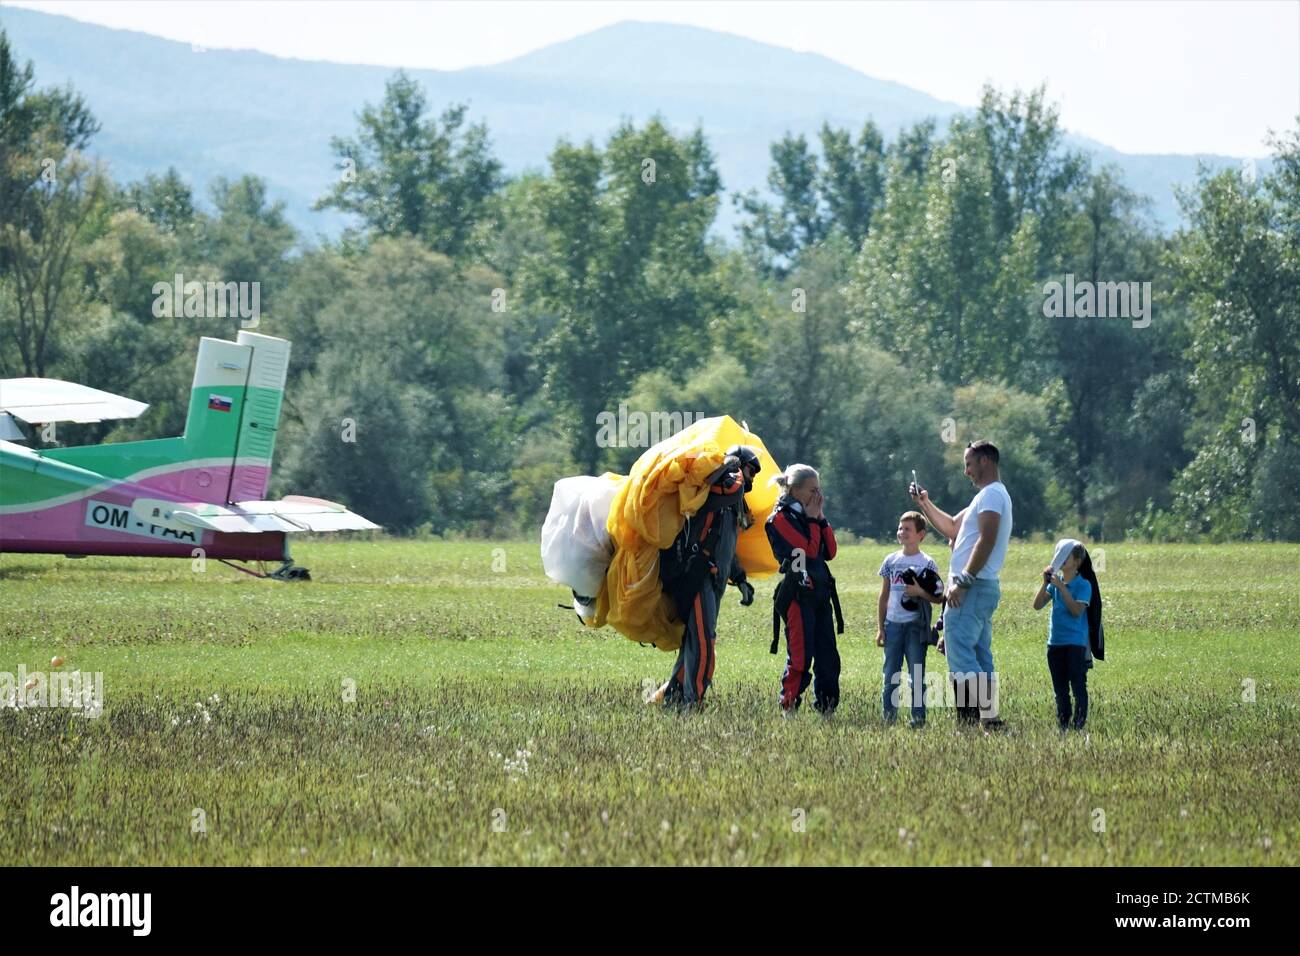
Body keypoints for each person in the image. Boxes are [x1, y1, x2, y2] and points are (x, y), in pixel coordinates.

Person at [910, 440, 1012, 730]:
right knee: (980, 654)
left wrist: (963, 580)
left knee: (961, 655)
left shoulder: (991, 495)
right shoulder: (986, 496)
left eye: (969, 464)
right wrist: (924, 503)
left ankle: (979, 721)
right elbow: (952, 527)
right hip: (981, 587)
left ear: (985, 462)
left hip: (972, 587)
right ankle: (990, 719)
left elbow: (987, 540)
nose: (966, 471)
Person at [657, 445, 761, 710]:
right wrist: (731, 465)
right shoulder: (714, 492)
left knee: (695, 640)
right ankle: (695, 700)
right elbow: (729, 489)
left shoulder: (732, 507)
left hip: (715, 579)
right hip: (699, 575)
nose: (753, 478)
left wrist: (740, 579)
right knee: (703, 640)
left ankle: (674, 698)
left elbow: (728, 547)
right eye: (752, 470)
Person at [766, 464, 843, 716]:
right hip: (798, 596)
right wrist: (811, 518)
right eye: (812, 490)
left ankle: (827, 708)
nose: (817, 495)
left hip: (820, 594)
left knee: (828, 656)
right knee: (800, 656)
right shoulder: (779, 519)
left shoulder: (811, 514)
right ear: (795, 490)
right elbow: (805, 552)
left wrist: (820, 518)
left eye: (819, 490)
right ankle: (788, 705)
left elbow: (829, 551)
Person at [876, 511, 944, 727]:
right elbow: (884, 595)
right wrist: (881, 627)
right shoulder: (891, 561)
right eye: (900, 528)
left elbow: (938, 596)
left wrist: (919, 592)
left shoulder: (928, 563)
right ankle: (888, 717)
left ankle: (918, 718)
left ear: (921, 534)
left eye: (907, 529)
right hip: (893, 625)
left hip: (916, 626)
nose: (902, 532)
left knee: (916, 676)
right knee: (890, 675)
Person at [1033, 539, 1102, 730]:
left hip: (1075, 643)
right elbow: (1037, 605)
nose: (1061, 561)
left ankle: (1078, 724)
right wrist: (1045, 584)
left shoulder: (1083, 585)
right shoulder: (1055, 583)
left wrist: (1062, 588)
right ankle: (1063, 724)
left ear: (1077, 561)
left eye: (1066, 557)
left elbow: (1076, 611)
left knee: (1077, 685)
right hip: (1054, 643)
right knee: (1060, 689)